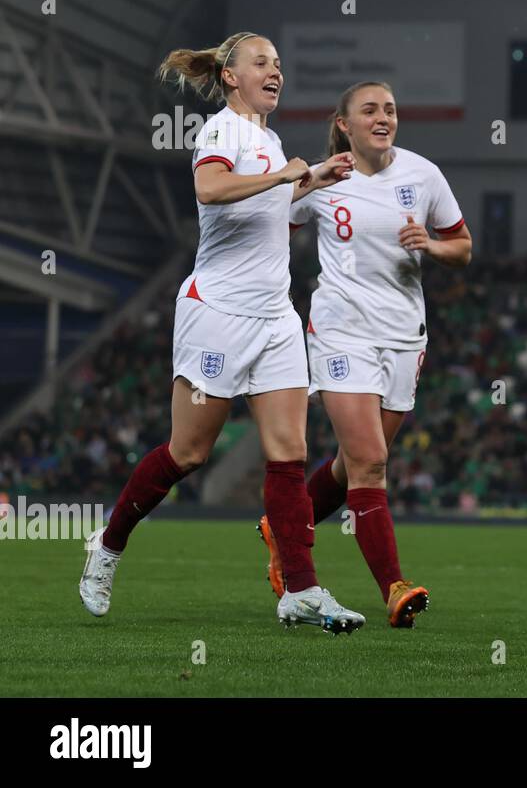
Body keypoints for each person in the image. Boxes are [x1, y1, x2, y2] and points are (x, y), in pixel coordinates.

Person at [79, 32, 365, 632]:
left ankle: (301, 591)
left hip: (275, 318)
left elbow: (272, 213)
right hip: (217, 315)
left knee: (289, 453)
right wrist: (289, 173)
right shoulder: (220, 131)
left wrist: (313, 179)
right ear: (231, 77)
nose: (275, 72)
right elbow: (209, 189)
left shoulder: (270, 140)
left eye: (279, 64)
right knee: (189, 452)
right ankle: (106, 544)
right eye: (261, 63)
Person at [256, 81, 471, 627]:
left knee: (353, 464)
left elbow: (463, 247)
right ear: (345, 124)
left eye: (391, 109)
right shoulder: (323, 180)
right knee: (371, 463)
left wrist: (433, 244)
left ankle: (284, 529)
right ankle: (394, 587)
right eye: (370, 110)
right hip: (341, 332)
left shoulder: (423, 175)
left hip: (405, 337)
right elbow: (266, 229)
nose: (384, 117)